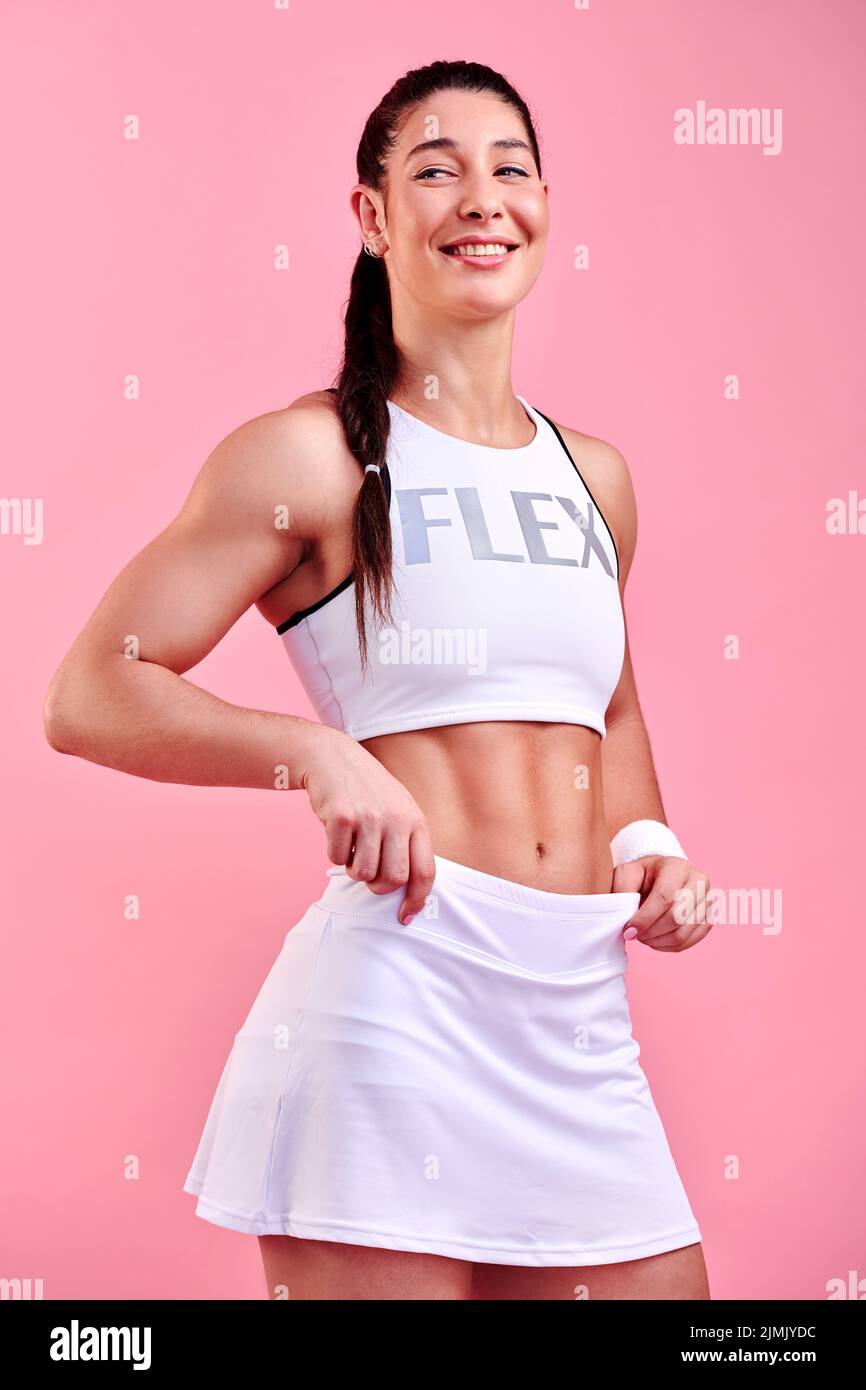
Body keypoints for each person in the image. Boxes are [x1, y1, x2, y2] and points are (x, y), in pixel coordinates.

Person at [43, 59, 712, 1301]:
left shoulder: (596, 479)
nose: (481, 197)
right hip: (394, 1018)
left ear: (546, 206)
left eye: (509, 167)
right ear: (369, 216)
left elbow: (601, 703)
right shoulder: (312, 455)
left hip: (576, 1019)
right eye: (435, 168)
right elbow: (90, 690)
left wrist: (644, 834)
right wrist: (318, 753)